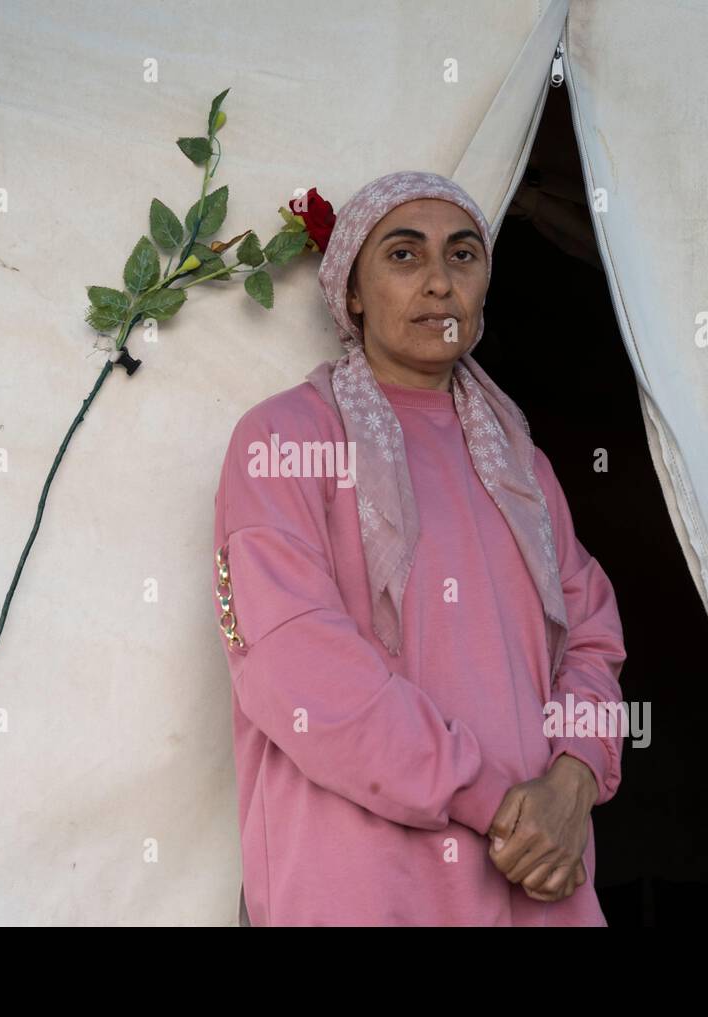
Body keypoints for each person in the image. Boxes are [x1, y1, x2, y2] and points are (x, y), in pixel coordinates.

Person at [212, 170, 627, 926]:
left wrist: (571, 780)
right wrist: (497, 801)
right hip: (365, 889)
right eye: (404, 256)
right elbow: (295, 665)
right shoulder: (285, 440)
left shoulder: (522, 464)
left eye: (463, 256)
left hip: (536, 881)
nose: (439, 281)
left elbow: (593, 635)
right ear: (354, 293)